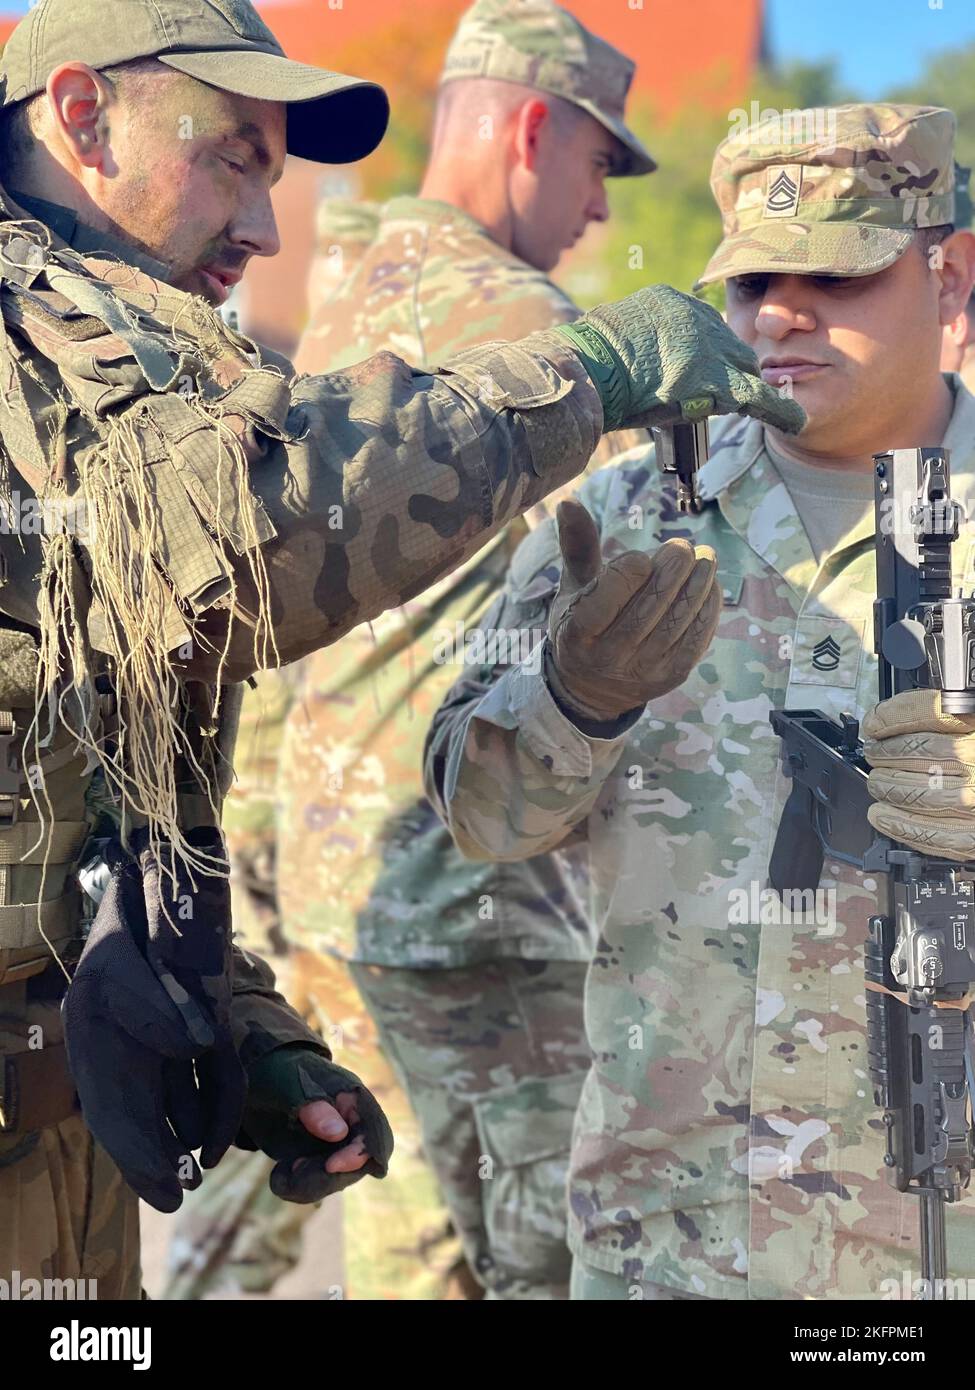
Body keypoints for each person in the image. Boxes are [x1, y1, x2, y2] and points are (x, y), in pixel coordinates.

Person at [0, 0, 795, 1301]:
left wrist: (242, 1032)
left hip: (60, 1165)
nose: (262, 229)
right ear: (82, 113)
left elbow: (90, 770)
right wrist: (586, 368)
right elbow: (224, 542)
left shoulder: (110, 356)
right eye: (234, 156)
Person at [424, 102, 975, 1300]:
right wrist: (576, 702)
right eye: (751, 279)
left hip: (933, 1246)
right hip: (669, 1238)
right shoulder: (616, 521)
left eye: (835, 273)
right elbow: (475, 815)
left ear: (951, 271)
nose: (779, 312)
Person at [167, 0, 657, 1303]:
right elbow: (653, 583)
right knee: (488, 1262)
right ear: (533, 128)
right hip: (472, 906)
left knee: (387, 1237)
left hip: (333, 875)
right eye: (597, 165)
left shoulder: (352, 291)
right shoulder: (533, 333)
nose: (597, 210)